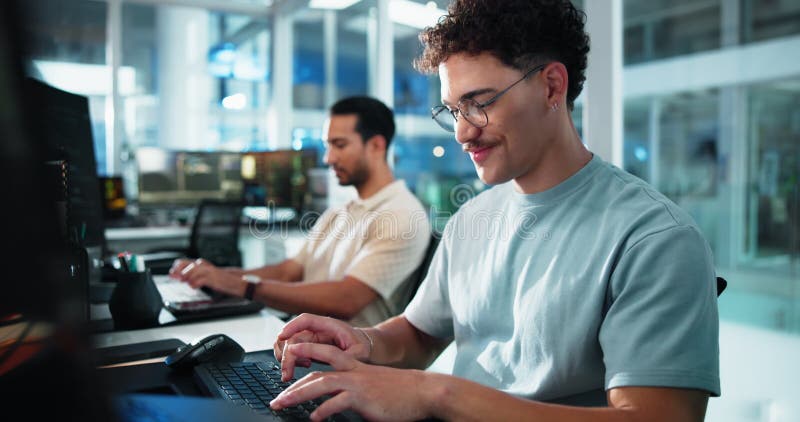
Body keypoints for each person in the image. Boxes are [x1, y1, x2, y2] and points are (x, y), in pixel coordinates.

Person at [269, 1, 720, 421]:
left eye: (480, 104)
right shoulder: (473, 217)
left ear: (551, 86)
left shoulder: (655, 238)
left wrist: (437, 393)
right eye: (453, 110)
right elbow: (420, 332)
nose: (463, 132)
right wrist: (364, 341)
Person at [170, 96, 431, 327]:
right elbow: (290, 271)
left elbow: (346, 299)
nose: (328, 159)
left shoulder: (401, 215)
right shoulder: (343, 210)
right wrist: (218, 276)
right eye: (328, 146)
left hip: (349, 363)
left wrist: (240, 286)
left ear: (376, 145)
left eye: (339, 145)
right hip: (304, 343)